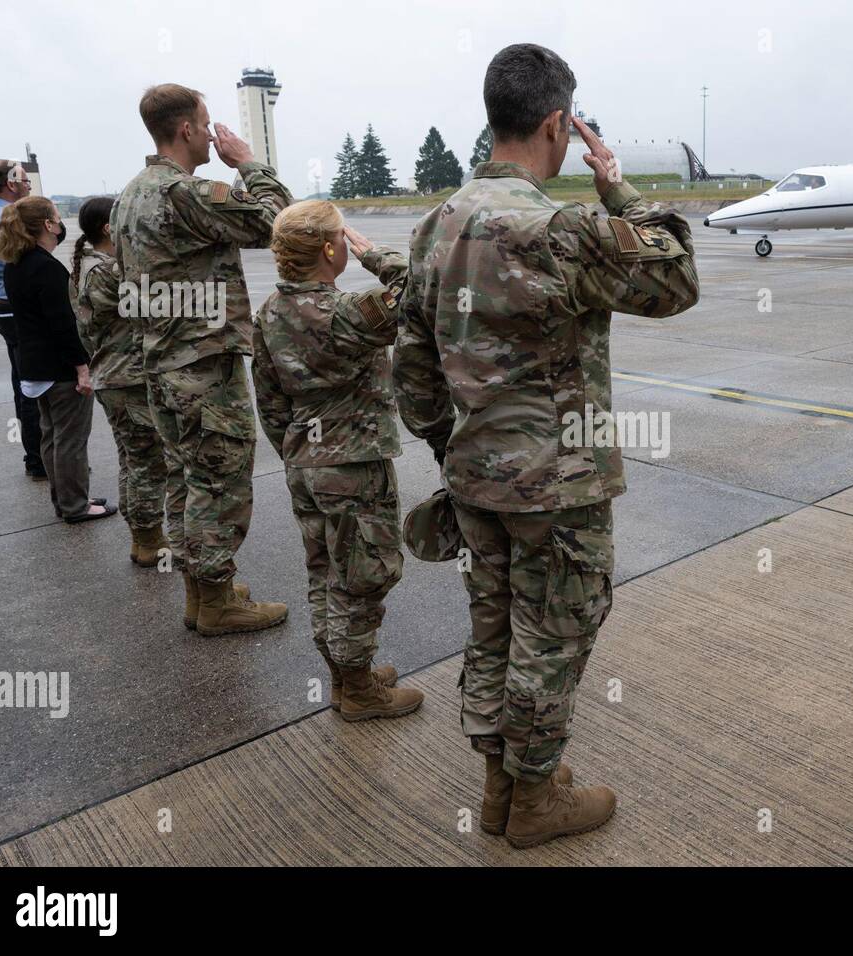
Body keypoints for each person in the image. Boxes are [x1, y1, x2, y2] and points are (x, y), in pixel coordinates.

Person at [395, 43, 699, 848]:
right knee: (552, 638)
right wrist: (621, 189)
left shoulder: (435, 225)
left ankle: (501, 786)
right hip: (556, 483)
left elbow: (413, 372)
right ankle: (533, 802)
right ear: (557, 124)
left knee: (494, 627)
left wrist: (451, 448)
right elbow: (676, 282)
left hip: (474, 478)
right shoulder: (556, 228)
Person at [111, 83, 293, 636]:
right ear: (186, 129)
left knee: (187, 479)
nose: (214, 134)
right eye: (207, 122)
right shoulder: (185, 192)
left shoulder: (128, 196)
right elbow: (277, 223)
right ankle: (217, 602)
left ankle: (200, 589)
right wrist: (250, 164)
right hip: (203, 364)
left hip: (159, 363)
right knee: (220, 480)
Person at [250, 201, 424, 721]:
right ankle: (359, 689)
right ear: (329, 249)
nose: (348, 245)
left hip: (305, 460)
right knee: (364, 575)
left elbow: (269, 399)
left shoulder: (270, 313)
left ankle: (347, 676)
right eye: (342, 239)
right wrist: (380, 258)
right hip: (352, 462)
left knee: (326, 570)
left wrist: (296, 450)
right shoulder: (346, 312)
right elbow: (422, 294)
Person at [0, 196, 116, 523]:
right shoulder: (47, 268)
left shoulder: (16, 264)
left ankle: (64, 499)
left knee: (51, 437)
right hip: (60, 369)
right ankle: (76, 505)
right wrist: (82, 368)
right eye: (55, 217)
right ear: (48, 225)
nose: (60, 222)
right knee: (70, 441)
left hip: (34, 367)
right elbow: (64, 327)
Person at [70, 196, 169, 565]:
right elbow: (155, 305)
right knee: (147, 461)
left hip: (114, 374)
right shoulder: (106, 271)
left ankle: (141, 536)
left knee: (134, 458)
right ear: (110, 228)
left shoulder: (89, 267)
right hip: (127, 378)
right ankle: (148, 539)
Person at [0, 160, 43, 478]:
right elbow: (27, 266)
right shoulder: (4, 218)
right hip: (17, 310)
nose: (28, 185)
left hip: (4, 307)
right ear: (10, 183)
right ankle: (38, 457)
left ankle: (35, 454)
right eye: (24, 180)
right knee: (34, 385)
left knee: (23, 382)